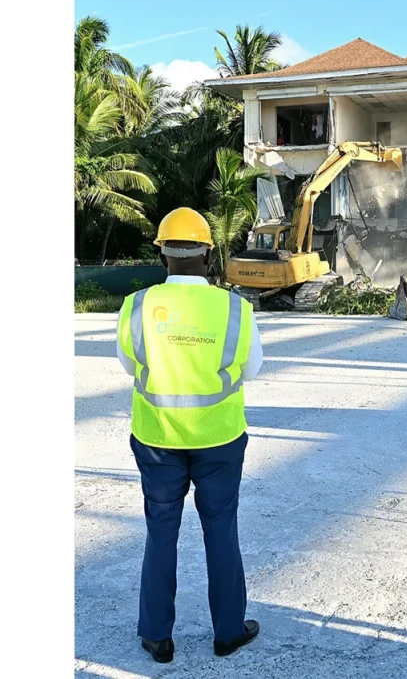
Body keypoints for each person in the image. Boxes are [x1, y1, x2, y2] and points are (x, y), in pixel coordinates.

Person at [115, 208, 263, 663]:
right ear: (208, 256)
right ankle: (228, 632)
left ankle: (157, 637)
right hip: (219, 438)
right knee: (221, 530)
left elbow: (130, 365)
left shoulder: (137, 306)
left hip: (157, 437)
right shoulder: (235, 308)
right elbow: (251, 369)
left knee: (161, 532)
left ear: (163, 255)